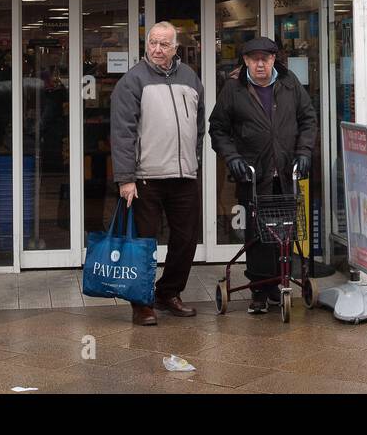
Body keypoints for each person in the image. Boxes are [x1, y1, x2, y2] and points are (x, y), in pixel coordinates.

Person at [208, 36, 318, 314]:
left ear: (273, 60)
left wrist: (304, 151)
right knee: (258, 233)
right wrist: (232, 157)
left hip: (285, 171)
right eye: (254, 59)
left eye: (265, 59)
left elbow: (308, 119)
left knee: (285, 232)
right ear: (245, 61)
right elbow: (218, 128)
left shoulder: (289, 83)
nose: (260, 64)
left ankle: (280, 282)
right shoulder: (234, 88)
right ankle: (259, 289)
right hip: (253, 174)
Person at [110, 20, 204, 326]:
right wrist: (126, 178)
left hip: (184, 175)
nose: (157, 49)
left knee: (186, 240)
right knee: (143, 244)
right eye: (152, 42)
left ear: (175, 47)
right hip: (146, 177)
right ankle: (142, 303)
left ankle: (168, 293)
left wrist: (194, 156)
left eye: (164, 44)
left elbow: (199, 124)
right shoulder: (133, 80)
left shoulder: (190, 77)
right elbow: (122, 133)